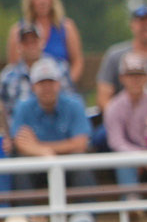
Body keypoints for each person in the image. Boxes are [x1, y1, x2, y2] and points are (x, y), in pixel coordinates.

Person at [8, 57, 95, 194]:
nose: (47, 88)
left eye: (51, 82)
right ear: (33, 86)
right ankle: (26, 213)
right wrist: (45, 152)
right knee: (22, 168)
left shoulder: (74, 104)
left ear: (59, 84)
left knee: (80, 162)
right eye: (42, 83)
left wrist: (42, 149)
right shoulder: (23, 107)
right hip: (36, 164)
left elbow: (81, 143)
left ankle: (84, 213)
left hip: (67, 164)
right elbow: (20, 142)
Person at [103, 54, 147, 197]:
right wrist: (140, 157)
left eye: (139, 75)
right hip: (131, 158)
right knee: (124, 162)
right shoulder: (114, 107)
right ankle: (131, 204)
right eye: (130, 75)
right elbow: (116, 142)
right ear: (122, 78)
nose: (135, 80)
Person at [96, 0, 147, 110]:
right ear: (132, 25)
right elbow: (103, 98)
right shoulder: (115, 55)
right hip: (123, 118)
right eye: (142, 21)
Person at [7, 0, 83, 90]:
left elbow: (77, 61)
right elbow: (15, 66)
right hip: (27, 90)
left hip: (60, 88)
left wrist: (63, 85)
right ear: (30, 2)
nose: (42, 1)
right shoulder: (18, 30)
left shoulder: (67, 27)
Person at [0, 22, 46, 115]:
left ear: (42, 42)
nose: (31, 46)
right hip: (16, 126)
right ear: (19, 46)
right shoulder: (7, 76)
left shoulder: (57, 70)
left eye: (34, 41)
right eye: (26, 43)